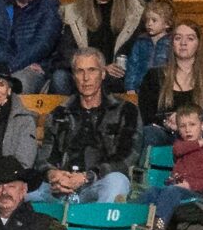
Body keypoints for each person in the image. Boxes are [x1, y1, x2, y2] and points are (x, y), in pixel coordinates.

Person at [35, 50, 139, 205]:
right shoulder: (59, 112)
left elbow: (127, 156)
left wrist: (87, 176)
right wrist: (53, 175)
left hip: (98, 183)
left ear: (103, 74)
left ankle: (98, 220)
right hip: (62, 185)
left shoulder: (125, 110)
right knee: (19, 190)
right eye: (80, 71)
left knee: (117, 181)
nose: (86, 78)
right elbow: (45, 155)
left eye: (92, 70)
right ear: (73, 76)